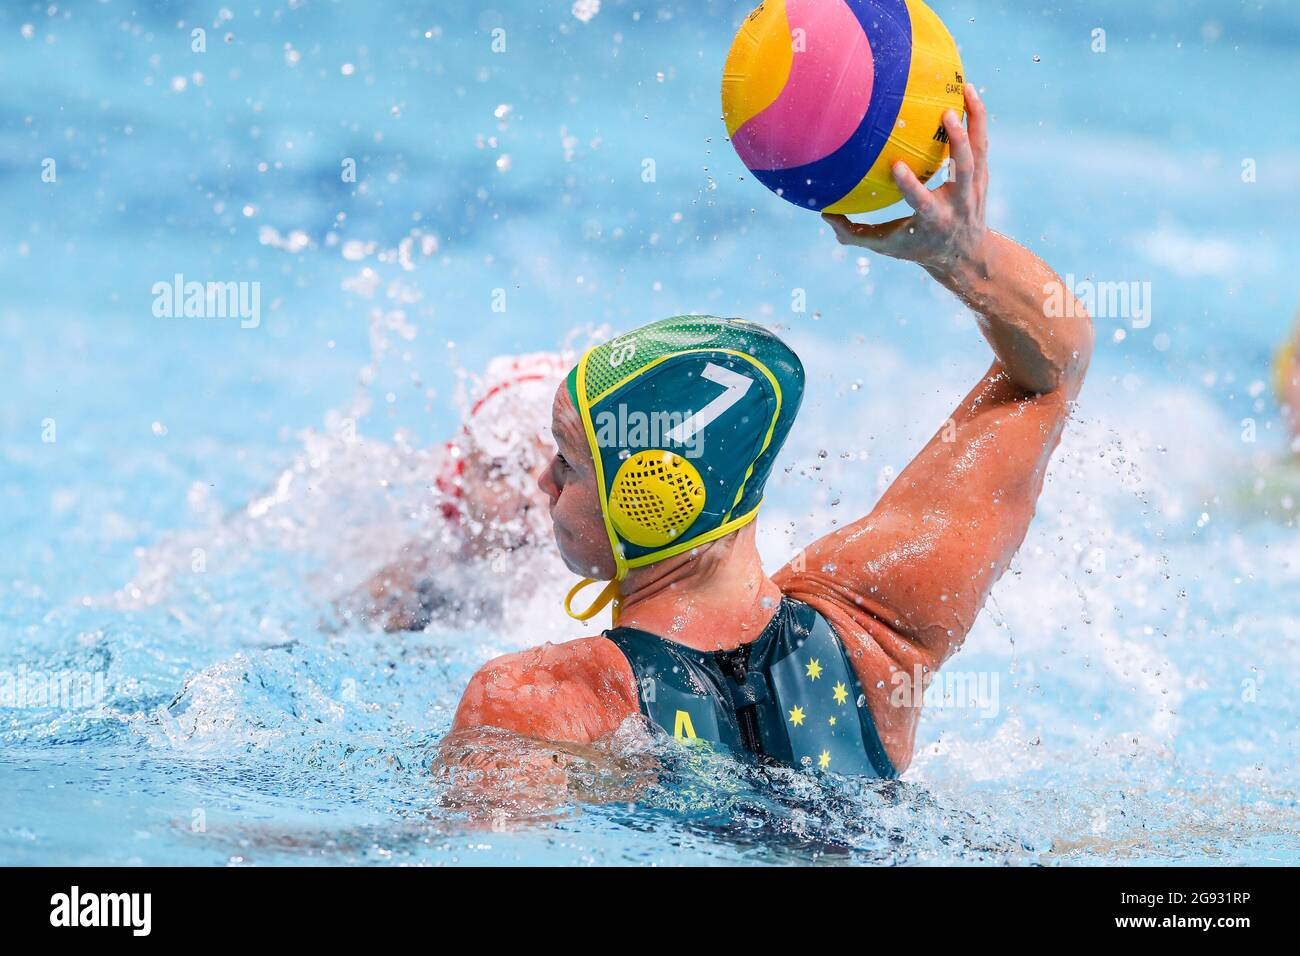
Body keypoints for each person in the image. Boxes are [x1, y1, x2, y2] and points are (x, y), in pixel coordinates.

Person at [444, 84, 1094, 779]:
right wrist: (963, 257)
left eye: (568, 464)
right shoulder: (878, 622)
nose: (543, 481)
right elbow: (1051, 371)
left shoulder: (538, 704)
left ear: (651, 498)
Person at [340, 351, 572, 631]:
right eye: (500, 469)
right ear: (456, 490)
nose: (531, 497)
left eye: (564, 466)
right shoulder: (415, 584)